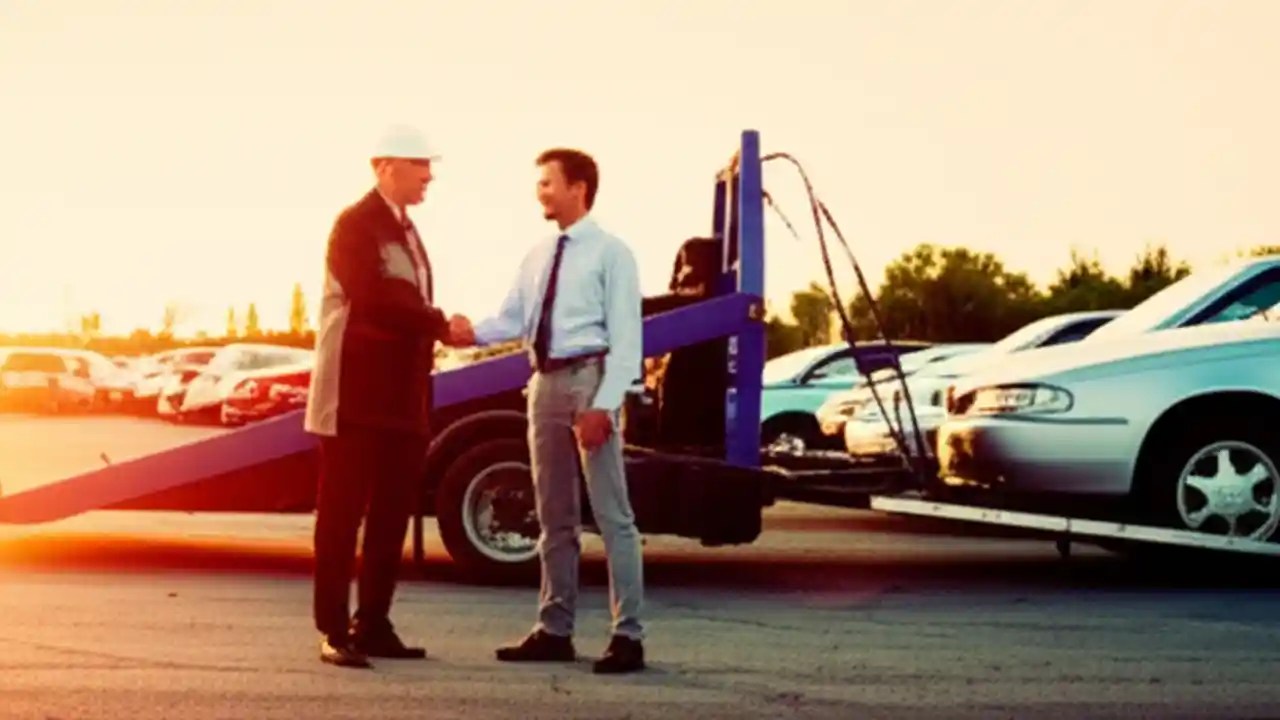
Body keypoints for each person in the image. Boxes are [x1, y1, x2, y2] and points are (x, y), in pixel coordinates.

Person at [453, 147, 647, 674]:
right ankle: (554, 628)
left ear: (578, 187)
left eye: (546, 183)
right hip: (543, 384)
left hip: (590, 380)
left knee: (613, 517)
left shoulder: (613, 253)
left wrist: (603, 406)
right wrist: (467, 333)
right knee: (554, 516)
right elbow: (513, 319)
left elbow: (629, 341)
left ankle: (628, 636)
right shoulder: (537, 254)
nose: (539, 192)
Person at [304, 124, 470, 668]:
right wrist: (441, 324)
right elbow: (373, 299)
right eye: (419, 164)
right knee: (341, 514)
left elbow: (403, 299)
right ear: (384, 167)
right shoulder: (354, 225)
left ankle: (373, 622)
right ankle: (333, 629)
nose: (429, 176)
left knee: (391, 515)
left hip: (402, 397)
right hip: (355, 392)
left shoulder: (407, 231)